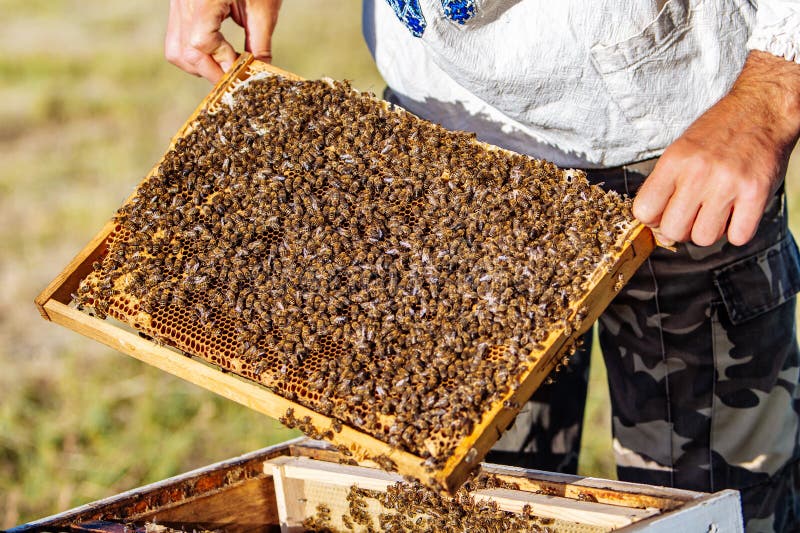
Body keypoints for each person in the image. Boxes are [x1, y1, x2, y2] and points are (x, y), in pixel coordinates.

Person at [165, 1, 800, 530]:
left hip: (677, 145)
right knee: (460, 504)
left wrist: (772, 93)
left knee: (718, 507)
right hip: (442, 142)